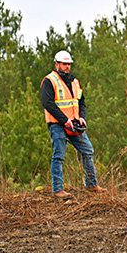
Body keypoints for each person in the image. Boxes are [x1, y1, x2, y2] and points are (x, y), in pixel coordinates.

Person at [40, 50, 103, 198]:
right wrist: (65, 121)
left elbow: (81, 102)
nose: (67, 67)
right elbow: (48, 104)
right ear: (57, 64)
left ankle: (92, 185)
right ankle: (58, 190)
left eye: (69, 64)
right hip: (57, 124)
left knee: (88, 150)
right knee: (59, 155)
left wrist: (82, 117)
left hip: (74, 124)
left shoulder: (75, 82)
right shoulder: (49, 81)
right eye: (64, 64)